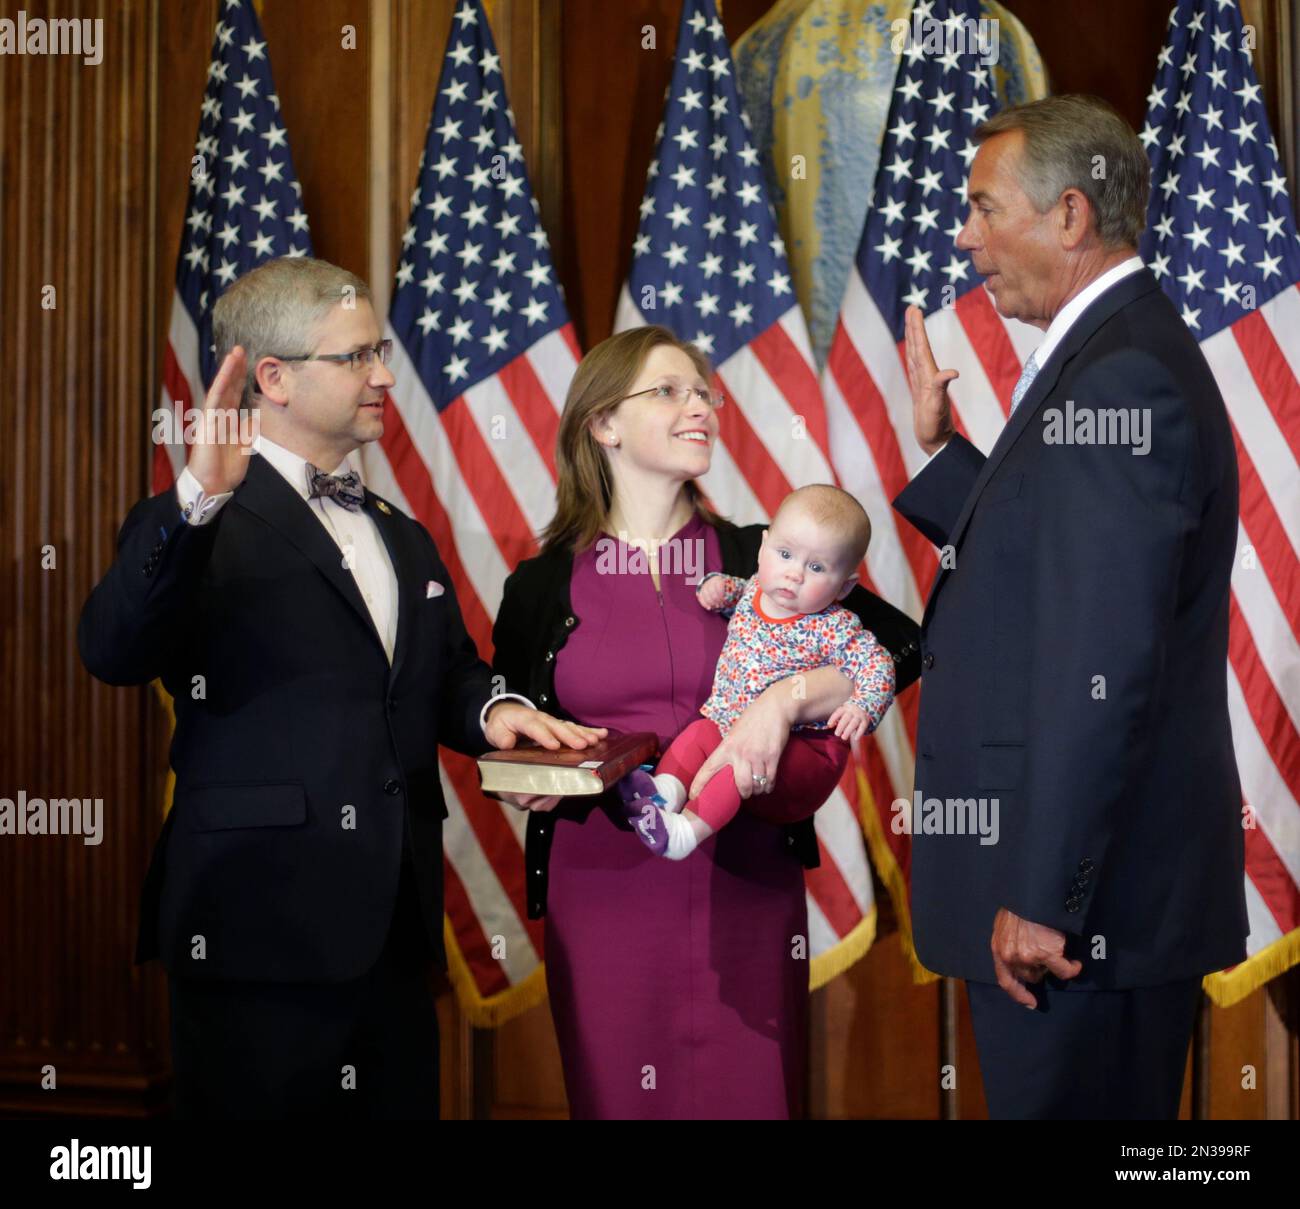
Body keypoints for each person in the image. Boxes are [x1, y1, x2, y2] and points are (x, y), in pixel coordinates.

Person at [77, 256, 602, 1119]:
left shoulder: (400, 532)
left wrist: (496, 709)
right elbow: (111, 647)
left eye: (380, 351)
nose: (384, 375)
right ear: (272, 377)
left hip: (394, 936)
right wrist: (198, 499)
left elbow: (448, 674)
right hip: (256, 935)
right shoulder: (196, 521)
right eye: (357, 357)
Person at [893, 95, 1247, 1119]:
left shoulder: (1121, 376)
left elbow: (1103, 666)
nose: (963, 235)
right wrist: (947, 458)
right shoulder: (1113, 355)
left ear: (1070, 217)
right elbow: (1054, 578)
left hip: (1081, 924)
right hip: (1094, 913)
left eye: (982, 206)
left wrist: (1047, 896)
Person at [491, 325, 921, 1119]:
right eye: (669, 391)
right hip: (603, 892)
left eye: (703, 392)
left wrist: (785, 700)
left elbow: (900, 643)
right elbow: (510, 722)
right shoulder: (539, 585)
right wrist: (528, 777)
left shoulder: (768, 553)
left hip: (746, 882)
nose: (700, 407)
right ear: (603, 424)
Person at [618, 484, 896, 860]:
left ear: (844, 586)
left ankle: (686, 832)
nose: (794, 574)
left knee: (739, 760)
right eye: (785, 554)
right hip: (729, 721)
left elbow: (879, 662)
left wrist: (864, 704)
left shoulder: (834, 626)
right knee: (700, 733)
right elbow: (736, 592)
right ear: (763, 548)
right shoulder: (754, 593)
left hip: (802, 748)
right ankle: (663, 793)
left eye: (816, 568)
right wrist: (715, 588)